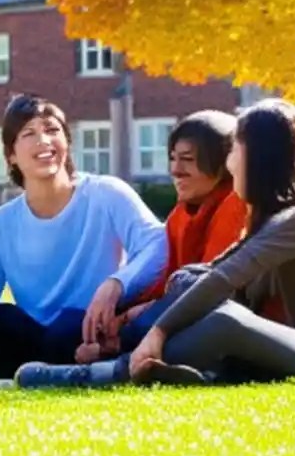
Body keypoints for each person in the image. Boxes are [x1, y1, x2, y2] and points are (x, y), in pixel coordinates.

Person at [15, 98, 295, 389]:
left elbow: (224, 278)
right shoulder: (274, 219)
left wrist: (158, 333)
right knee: (193, 287)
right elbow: (212, 277)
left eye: (234, 151)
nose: (229, 164)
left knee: (224, 320)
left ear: (260, 158)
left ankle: (101, 374)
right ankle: (182, 370)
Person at [0, 94, 168, 384]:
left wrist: (116, 284)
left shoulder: (107, 194)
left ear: (67, 142)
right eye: (29, 134)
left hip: (86, 331)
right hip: (30, 334)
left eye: (52, 130)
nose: (44, 141)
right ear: (11, 154)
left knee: (68, 325)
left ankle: (34, 370)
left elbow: (156, 243)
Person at [74, 109, 247, 363]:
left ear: (223, 164)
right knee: (77, 323)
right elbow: (164, 283)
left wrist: (128, 326)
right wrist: (121, 315)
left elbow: (207, 290)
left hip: (217, 317)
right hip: (178, 311)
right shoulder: (180, 214)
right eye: (173, 158)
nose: (176, 170)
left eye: (188, 159)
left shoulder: (235, 205)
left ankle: (114, 355)